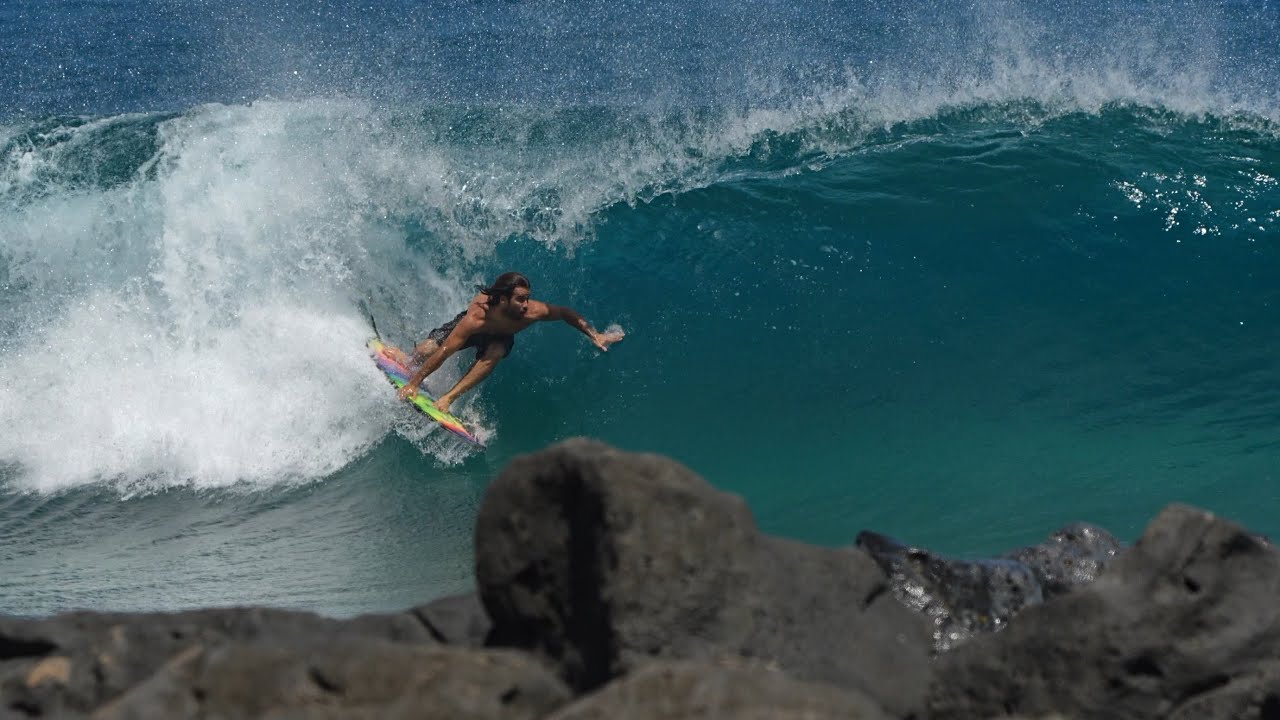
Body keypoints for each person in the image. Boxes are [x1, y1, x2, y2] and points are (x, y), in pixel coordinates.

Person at [389, 271, 624, 414]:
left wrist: (595, 335)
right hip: (476, 330)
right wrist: (415, 382)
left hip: (500, 336)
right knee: (430, 348)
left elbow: (564, 313)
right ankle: (409, 360)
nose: (526, 304)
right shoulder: (476, 317)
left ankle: (447, 398)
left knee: (497, 350)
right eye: (521, 299)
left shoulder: (532, 312)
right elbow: (445, 352)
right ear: (503, 299)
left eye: (527, 298)